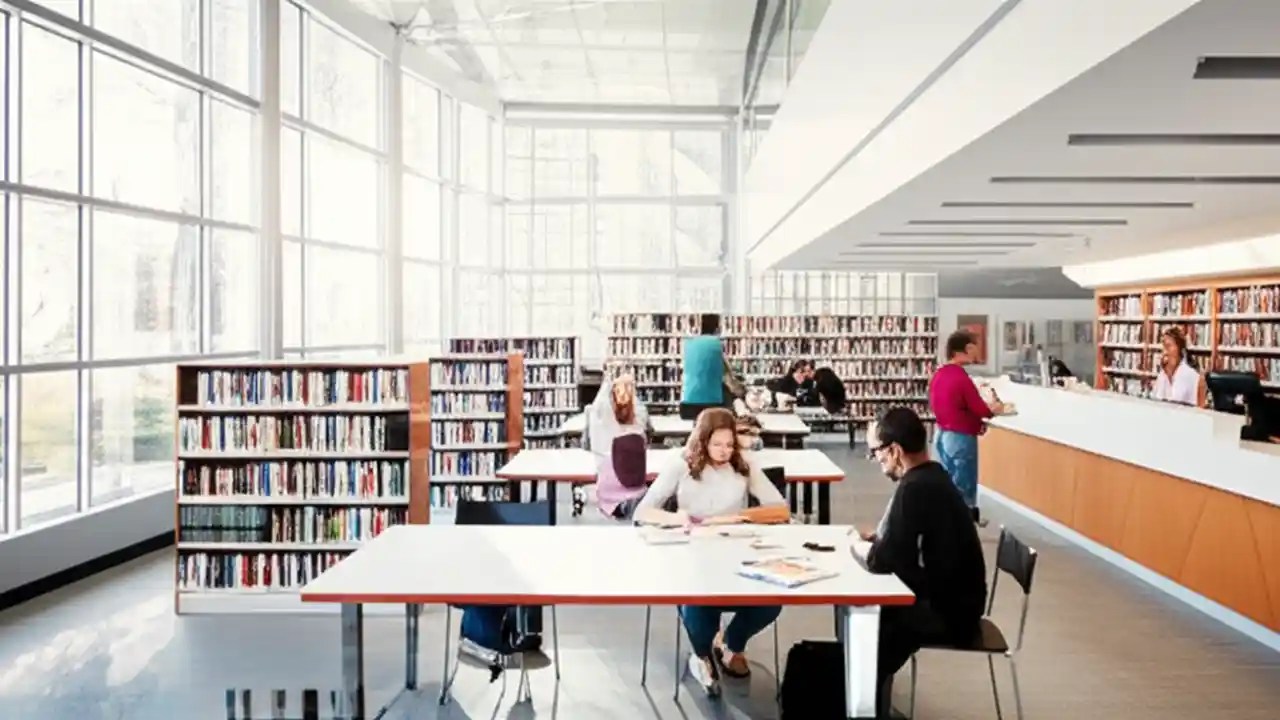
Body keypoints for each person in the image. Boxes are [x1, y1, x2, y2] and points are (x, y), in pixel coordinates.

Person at [634, 408, 790, 696]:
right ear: (702, 441)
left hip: (736, 549)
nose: (724, 451)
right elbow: (643, 512)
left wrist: (742, 516)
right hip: (693, 550)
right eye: (717, 445)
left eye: (730, 445)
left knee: (772, 601)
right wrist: (679, 519)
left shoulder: (743, 463)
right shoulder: (680, 463)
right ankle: (702, 652)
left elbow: (780, 509)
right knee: (699, 602)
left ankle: (732, 641)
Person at [861, 407, 988, 717]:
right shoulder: (933, 476)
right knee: (876, 621)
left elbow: (883, 561)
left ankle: (862, 700)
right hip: (962, 602)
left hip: (950, 615)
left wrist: (870, 547)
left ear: (895, 451)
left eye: (877, 452)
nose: (877, 461)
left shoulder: (914, 489)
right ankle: (869, 698)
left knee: (871, 626)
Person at [928, 330, 1004, 525]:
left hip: (941, 436)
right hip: (960, 438)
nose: (977, 353)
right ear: (967, 348)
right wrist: (994, 409)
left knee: (947, 483)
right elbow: (980, 408)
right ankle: (965, 524)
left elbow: (946, 406)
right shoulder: (961, 378)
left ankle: (946, 522)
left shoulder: (939, 374)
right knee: (965, 484)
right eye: (975, 348)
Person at [588, 374, 650, 519]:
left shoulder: (600, 422)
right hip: (638, 491)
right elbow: (641, 411)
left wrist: (608, 380)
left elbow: (599, 405)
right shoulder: (639, 423)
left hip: (608, 498)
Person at [680, 314, 744, 420]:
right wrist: (741, 392)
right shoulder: (716, 344)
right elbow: (728, 379)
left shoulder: (689, 344)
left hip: (687, 405)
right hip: (712, 405)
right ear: (718, 328)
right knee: (731, 396)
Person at [1153, 326, 1204, 406]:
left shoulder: (1192, 376)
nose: (1165, 352)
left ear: (1181, 350)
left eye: (1168, 346)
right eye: (1163, 347)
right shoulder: (1162, 375)